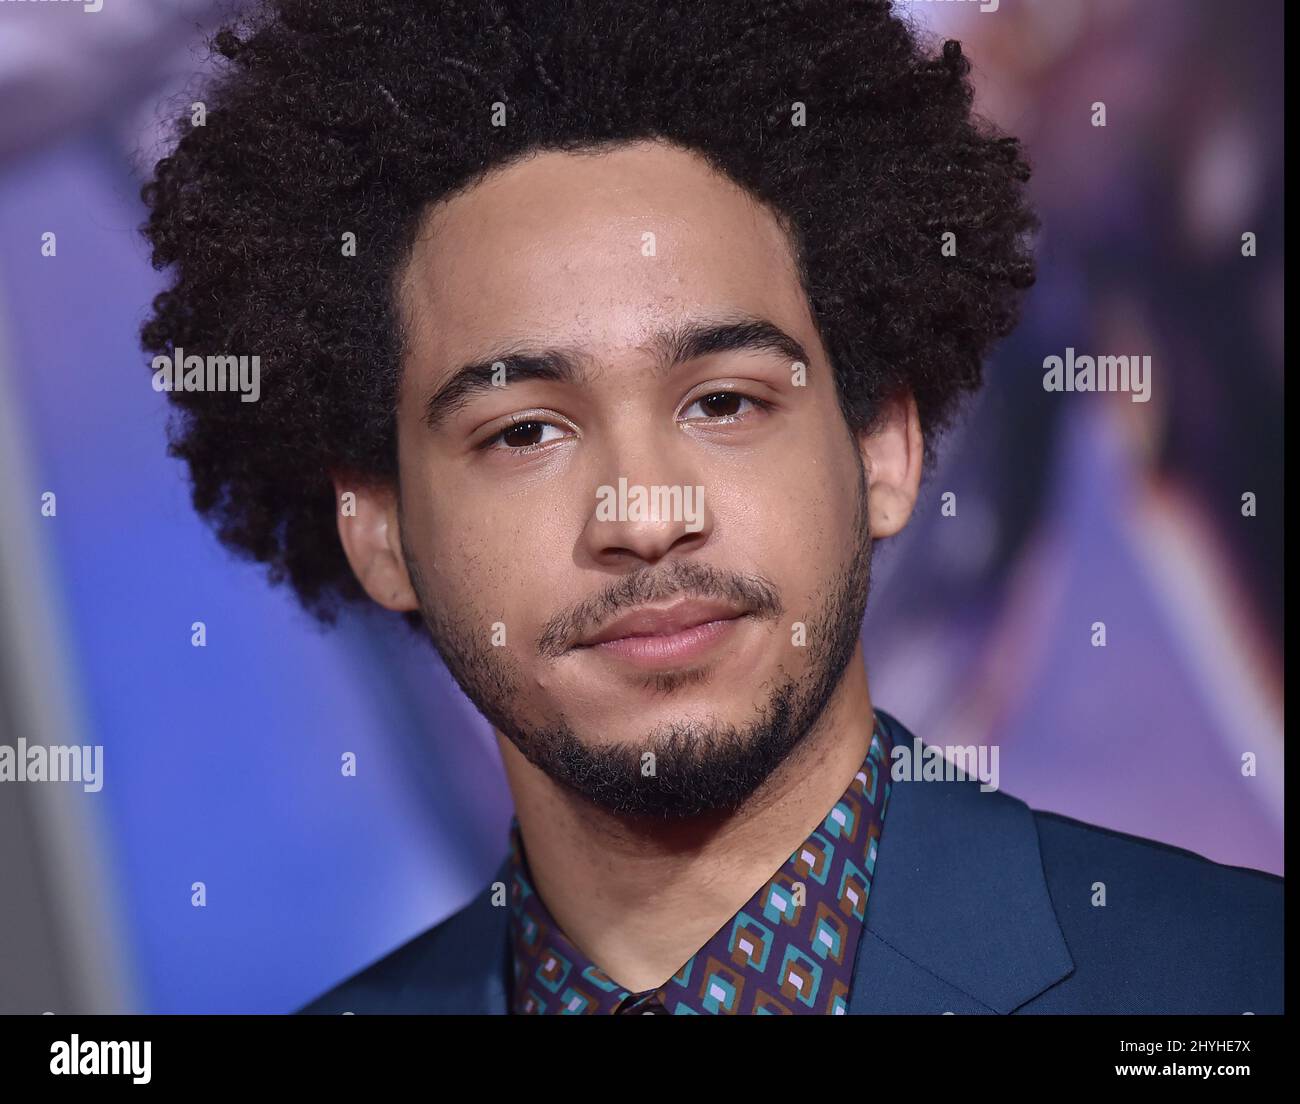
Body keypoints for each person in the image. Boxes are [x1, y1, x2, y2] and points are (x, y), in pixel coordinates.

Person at [138, 0, 1282, 1014]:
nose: (642, 512)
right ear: (377, 529)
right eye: (523, 430)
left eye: (726, 401)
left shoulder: (1226, 988)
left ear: (885, 447)